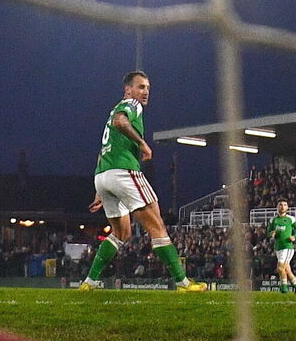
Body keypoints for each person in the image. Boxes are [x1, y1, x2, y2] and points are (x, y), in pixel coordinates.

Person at [81, 71, 207, 292]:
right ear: (127, 90)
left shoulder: (112, 111)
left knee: (121, 233)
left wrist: (100, 190)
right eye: (140, 87)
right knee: (157, 226)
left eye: (147, 88)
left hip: (103, 176)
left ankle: (89, 282)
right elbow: (121, 122)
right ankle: (183, 283)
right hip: (124, 172)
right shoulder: (131, 105)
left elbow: (102, 152)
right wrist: (141, 143)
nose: (145, 92)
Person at [268, 200, 296, 293]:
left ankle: (284, 288)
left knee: (280, 267)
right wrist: (272, 234)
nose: (282, 207)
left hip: (287, 247)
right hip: (278, 247)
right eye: (280, 205)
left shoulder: (291, 219)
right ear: (277, 207)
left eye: (285, 205)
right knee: (287, 269)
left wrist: (294, 236)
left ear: (287, 207)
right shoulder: (273, 220)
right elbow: (268, 233)